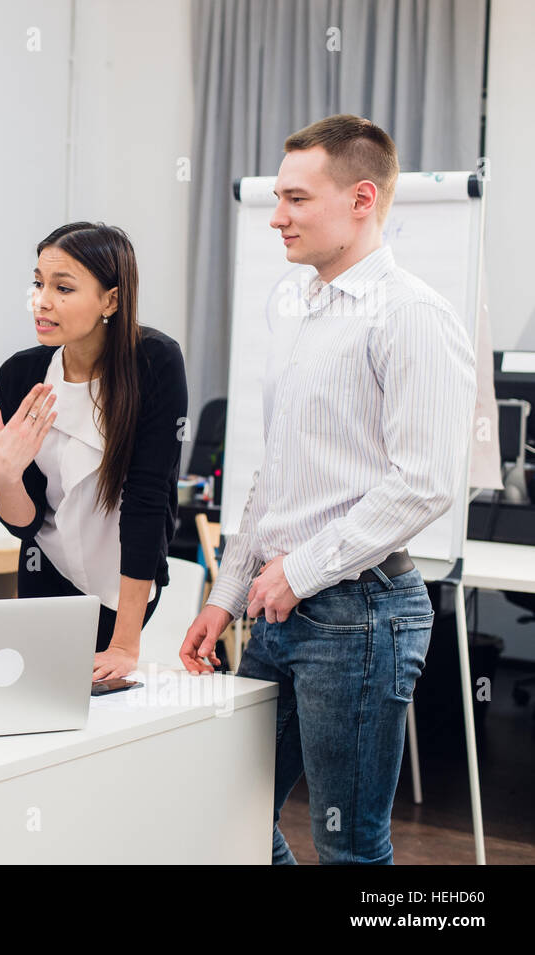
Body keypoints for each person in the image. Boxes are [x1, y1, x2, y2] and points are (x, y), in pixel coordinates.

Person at [180, 115, 476, 865]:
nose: (276, 216)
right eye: (277, 198)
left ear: (361, 198)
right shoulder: (300, 310)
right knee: (226, 814)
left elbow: (425, 484)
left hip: (361, 614)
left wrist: (299, 569)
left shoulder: (412, 317)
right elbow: (276, 476)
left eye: (296, 199)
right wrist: (225, 592)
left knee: (348, 844)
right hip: (281, 605)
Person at [0, 223, 188, 681]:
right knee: (42, 699)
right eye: (37, 283)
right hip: (47, 573)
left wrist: (125, 642)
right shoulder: (22, 374)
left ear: (111, 301)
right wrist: (5, 476)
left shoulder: (154, 362)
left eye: (63, 288)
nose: (41, 300)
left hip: (126, 586)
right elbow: (26, 522)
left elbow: (147, 502)